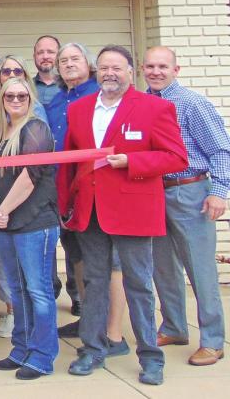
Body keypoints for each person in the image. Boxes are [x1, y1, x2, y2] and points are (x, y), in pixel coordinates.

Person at [58, 45, 188, 386]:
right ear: (95, 72)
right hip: (91, 212)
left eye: (117, 67)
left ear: (132, 71)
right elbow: (70, 161)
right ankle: (92, 349)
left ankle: (150, 358)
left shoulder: (155, 108)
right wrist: (64, 206)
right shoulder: (79, 109)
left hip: (133, 211)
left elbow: (176, 157)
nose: (110, 73)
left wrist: (133, 161)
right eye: (104, 68)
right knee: (94, 282)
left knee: (139, 284)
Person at [145, 46, 229, 366]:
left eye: (163, 66)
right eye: (150, 66)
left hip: (190, 190)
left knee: (200, 268)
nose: (156, 72)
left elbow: (220, 150)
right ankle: (174, 327)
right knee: (163, 265)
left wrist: (219, 192)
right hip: (154, 192)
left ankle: (213, 340)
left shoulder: (192, 103)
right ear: (142, 69)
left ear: (175, 70)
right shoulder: (141, 103)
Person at [48, 44, 128, 353]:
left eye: (75, 59)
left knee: (111, 264)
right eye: (63, 60)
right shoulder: (57, 100)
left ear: (88, 63)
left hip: (98, 191)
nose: (69, 64)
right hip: (65, 191)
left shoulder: (101, 96)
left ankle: (113, 333)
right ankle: (89, 320)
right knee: (77, 257)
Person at [0, 78, 59, 380]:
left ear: (31, 99)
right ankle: (22, 348)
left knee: (38, 291)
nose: (15, 100)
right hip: (4, 224)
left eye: (22, 96)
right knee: (17, 290)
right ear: (1, 100)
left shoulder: (37, 129)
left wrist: (3, 210)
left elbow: (29, 177)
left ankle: (42, 356)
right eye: (9, 96)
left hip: (33, 223)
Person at [0, 55, 48, 128]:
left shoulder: (36, 108)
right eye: (6, 71)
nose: (12, 75)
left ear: (25, 76)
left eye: (18, 71)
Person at [32, 36, 61, 106]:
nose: (45, 56)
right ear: (34, 57)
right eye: (40, 52)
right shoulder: (26, 86)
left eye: (50, 52)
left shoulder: (70, 86)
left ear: (60, 56)